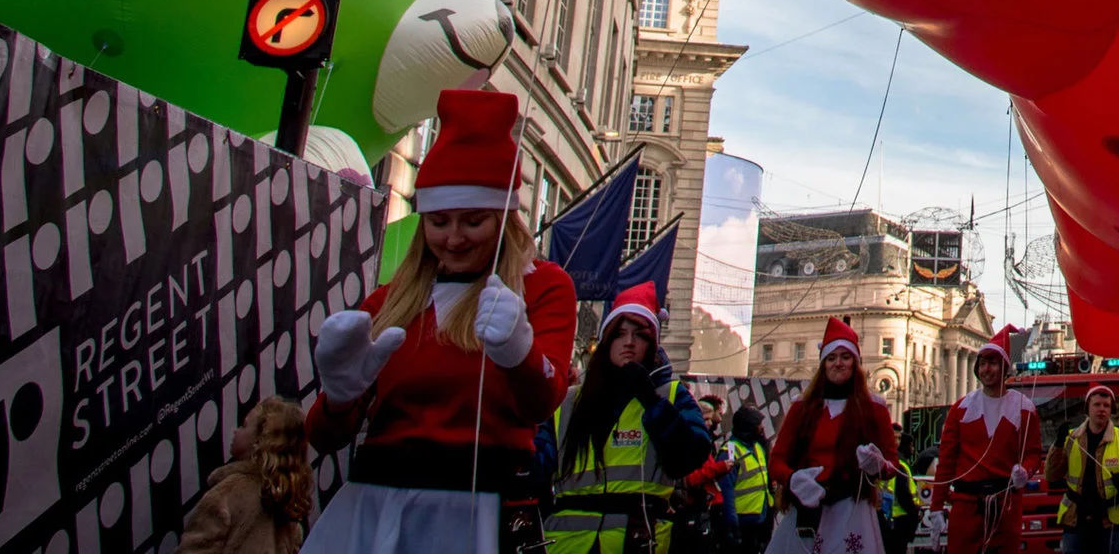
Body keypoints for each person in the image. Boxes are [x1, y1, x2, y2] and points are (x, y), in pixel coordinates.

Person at [303, 89, 578, 553]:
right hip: (372, 512)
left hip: (479, 515)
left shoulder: (542, 287)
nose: (452, 239)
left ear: (504, 220)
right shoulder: (392, 300)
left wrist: (519, 354)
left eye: (472, 221)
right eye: (438, 222)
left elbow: (541, 404)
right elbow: (324, 438)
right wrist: (339, 397)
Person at [543, 282, 717, 553]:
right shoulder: (568, 401)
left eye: (639, 335)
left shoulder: (669, 395)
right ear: (606, 340)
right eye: (620, 333)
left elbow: (690, 455)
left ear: (651, 344)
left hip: (637, 539)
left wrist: (651, 401)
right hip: (569, 543)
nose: (629, 342)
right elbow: (535, 465)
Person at [769, 318, 901, 554]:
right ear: (823, 364)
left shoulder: (875, 407)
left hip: (853, 511)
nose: (838, 363)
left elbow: (893, 465)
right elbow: (776, 461)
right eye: (831, 358)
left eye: (845, 357)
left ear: (855, 363)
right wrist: (793, 480)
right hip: (806, 512)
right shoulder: (802, 407)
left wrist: (877, 465)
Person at [932, 327, 1043, 554]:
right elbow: (946, 462)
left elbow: (1033, 453)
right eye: (982, 363)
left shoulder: (1024, 408)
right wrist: (935, 508)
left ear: (1004, 368)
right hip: (966, 507)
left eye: (992, 363)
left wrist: (1025, 471)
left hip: (1005, 507)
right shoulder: (961, 409)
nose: (986, 369)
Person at [178, 397, 314, 554]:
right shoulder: (288, 507)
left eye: (243, 426)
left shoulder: (227, 493)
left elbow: (193, 549)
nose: (235, 431)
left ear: (259, 441)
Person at [1045, 384, 1119, 554]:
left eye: (1106, 406)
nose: (1101, 409)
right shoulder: (1071, 438)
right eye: (1096, 405)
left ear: (1111, 410)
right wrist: (1058, 445)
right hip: (1076, 517)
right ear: (1087, 409)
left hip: (1111, 519)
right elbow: (1052, 475)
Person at [726, 405, 776, 552]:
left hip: (762, 515)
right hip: (743, 518)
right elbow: (726, 488)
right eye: (758, 424)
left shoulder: (758, 447)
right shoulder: (730, 450)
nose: (762, 428)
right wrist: (731, 519)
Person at [882, 456, 924, 554]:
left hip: (884, 518)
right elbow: (904, 495)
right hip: (899, 520)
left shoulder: (878, 462)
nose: (913, 449)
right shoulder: (899, 465)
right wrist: (915, 511)